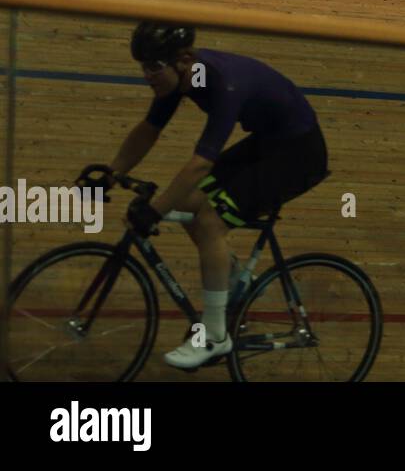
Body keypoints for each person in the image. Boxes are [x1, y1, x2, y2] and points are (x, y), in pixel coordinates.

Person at [85, 22, 329, 368]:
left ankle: (215, 336)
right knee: (185, 203)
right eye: (142, 66)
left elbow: (200, 164)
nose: (146, 75)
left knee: (210, 221)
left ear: (183, 60)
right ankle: (230, 292)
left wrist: (154, 212)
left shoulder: (221, 82)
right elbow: (149, 130)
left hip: (298, 154)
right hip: (269, 141)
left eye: (154, 67)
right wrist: (112, 175)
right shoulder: (186, 76)